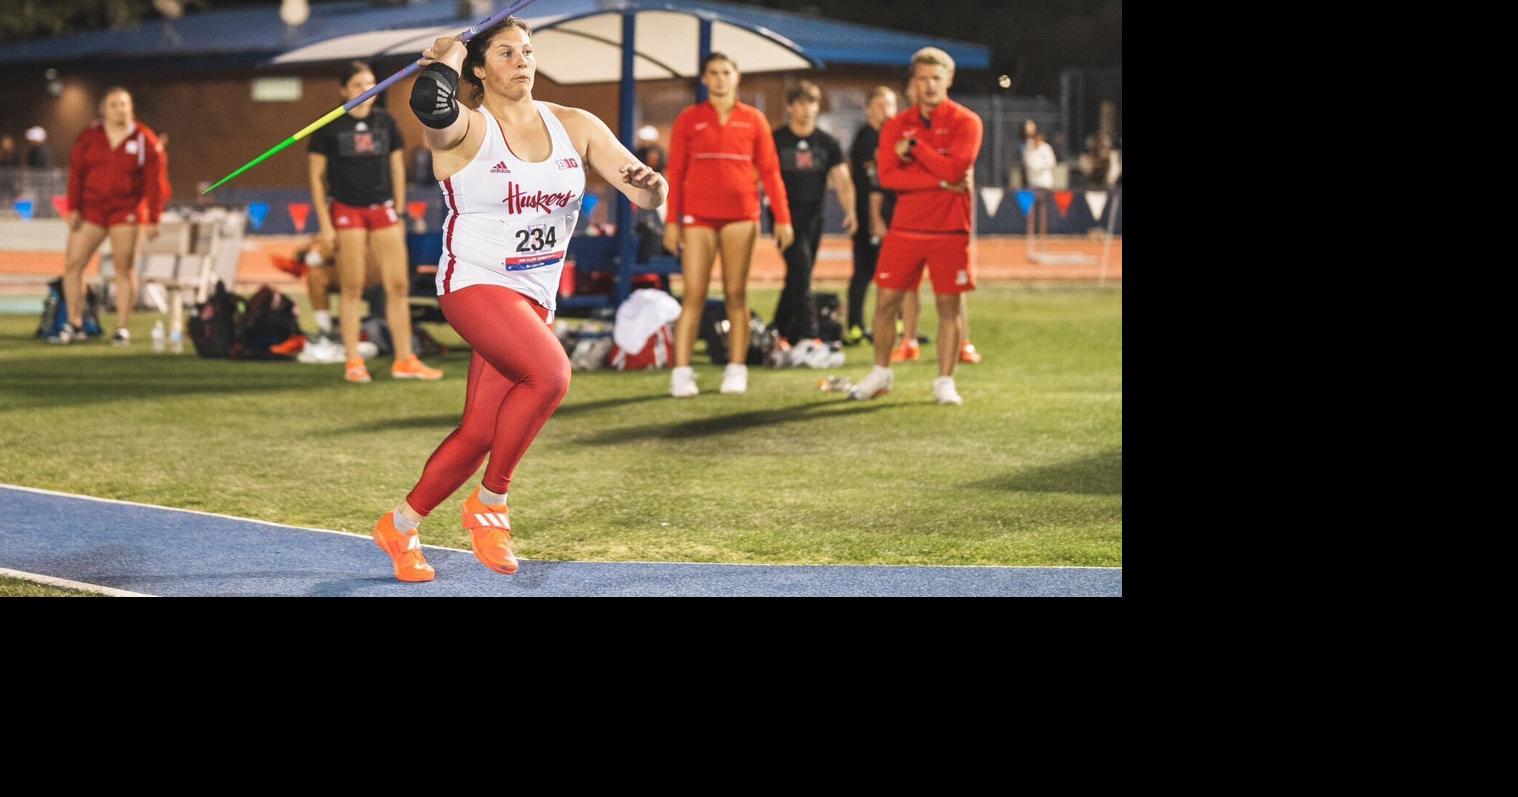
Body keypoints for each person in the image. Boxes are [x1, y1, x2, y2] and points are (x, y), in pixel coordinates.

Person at [367, 17, 667, 582]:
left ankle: (400, 525)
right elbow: (431, 105)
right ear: (479, 68)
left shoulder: (575, 124)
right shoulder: (467, 129)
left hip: (534, 297)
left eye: (527, 50)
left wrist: (652, 187)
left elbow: (643, 191)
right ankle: (491, 503)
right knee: (550, 374)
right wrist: (446, 55)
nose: (522, 60)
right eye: (505, 52)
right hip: (474, 284)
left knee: (481, 432)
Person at [850, 47, 983, 405]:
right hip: (905, 228)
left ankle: (945, 381)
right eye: (922, 79)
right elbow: (890, 177)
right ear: (914, 82)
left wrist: (917, 150)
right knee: (885, 302)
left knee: (948, 307)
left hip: (950, 229)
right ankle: (880, 373)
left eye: (936, 78)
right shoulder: (895, 125)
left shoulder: (967, 122)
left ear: (949, 79)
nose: (929, 85)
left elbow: (957, 169)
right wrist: (941, 180)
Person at [662, 52, 794, 397]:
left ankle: (736, 369)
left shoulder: (754, 120)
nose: (720, 78)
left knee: (736, 294)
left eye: (726, 72)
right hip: (698, 218)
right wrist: (672, 221)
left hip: (741, 217)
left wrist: (783, 217)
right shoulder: (689, 119)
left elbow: (770, 172)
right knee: (694, 295)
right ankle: (681, 373)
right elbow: (676, 172)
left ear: (737, 77)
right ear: (704, 79)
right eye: (713, 73)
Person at [308, 60, 442, 383]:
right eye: (357, 84)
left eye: (370, 83)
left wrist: (399, 211)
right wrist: (326, 225)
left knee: (398, 286)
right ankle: (353, 361)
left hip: (383, 210)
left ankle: (405, 359)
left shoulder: (386, 122)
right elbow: (316, 179)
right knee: (352, 287)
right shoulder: (329, 126)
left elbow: (396, 168)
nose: (366, 90)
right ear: (344, 91)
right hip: (347, 211)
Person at [50, 88, 166, 345]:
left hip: (126, 211)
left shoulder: (144, 139)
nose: (120, 109)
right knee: (73, 265)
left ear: (131, 108)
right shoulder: (89, 137)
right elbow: (76, 174)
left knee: (124, 268)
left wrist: (154, 217)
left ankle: (122, 328)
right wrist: (73, 208)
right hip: (91, 209)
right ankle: (74, 323)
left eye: (124, 104)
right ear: (103, 109)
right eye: (114, 105)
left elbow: (155, 182)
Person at [771, 80, 854, 345]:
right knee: (801, 269)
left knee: (798, 275)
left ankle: (778, 330)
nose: (806, 109)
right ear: (789, 107)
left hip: (813, 218)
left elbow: (843, 180)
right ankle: (810, 337)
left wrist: (850, 211)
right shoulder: (776, 140)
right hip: (784, 217)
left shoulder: (827, 143)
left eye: (811, 103)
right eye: (800, 103)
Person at [846, 86, 898, 346]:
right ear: (868, 110)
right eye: (880, 105)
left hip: (887, 214)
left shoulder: (891, 136)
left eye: (890, 105)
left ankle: (893, 325)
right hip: (870, 216)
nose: (886, 111)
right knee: (870, 271)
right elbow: (872, 181)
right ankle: (860, 325)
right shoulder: (867, 139)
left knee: (886, 272)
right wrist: (874, 219)